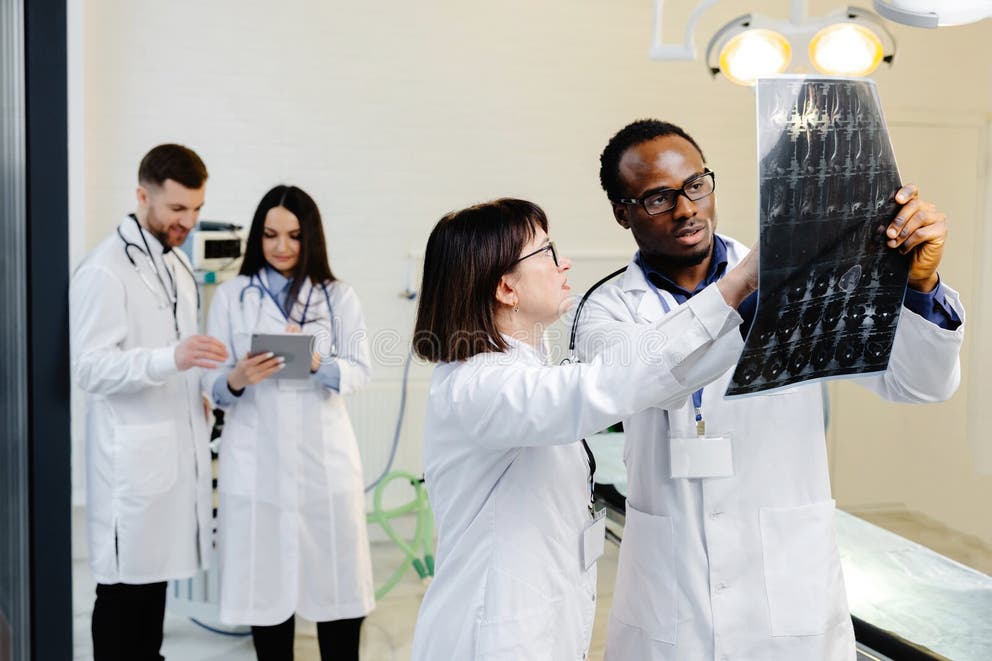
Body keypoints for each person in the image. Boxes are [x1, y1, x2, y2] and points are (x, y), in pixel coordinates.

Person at [574, 119, 965, 661]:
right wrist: (757, 282)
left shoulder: (805, 282)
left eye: (695, 185)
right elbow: (652, 380)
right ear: (623, 212)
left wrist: (920, 288)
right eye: (658, 198)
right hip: (671, 604)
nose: (686, 209)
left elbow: (918, 384)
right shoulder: (605, 309)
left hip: (790, 593)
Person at [409, 198, 759, 660]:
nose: (564, 263)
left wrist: (748, 314)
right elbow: (602, 386)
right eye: (548, 252)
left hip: (536, 626)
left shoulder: (515, 372)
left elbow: (653, 383)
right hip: (493, 636)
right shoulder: (478, 384)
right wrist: (735, 287)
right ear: (506, 289)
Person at [202, 185, 374, 661]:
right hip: (258, 464)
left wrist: (318, 364)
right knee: (266, 595)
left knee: (337, 593)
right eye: (271, 235)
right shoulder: (233, 296)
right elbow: (210, 381)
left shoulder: (337, 296)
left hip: (323, 464)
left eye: (294, 236)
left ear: (311, 237)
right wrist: (236, 379)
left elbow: (360, 369)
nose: (281, 247)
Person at [70, 144, 228, 660]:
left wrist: (197, 394)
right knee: (122, 594)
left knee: (152, 591)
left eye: (197, 209)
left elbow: (179, 356)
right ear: (143, 196)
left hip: (170, 462)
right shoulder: (105, 269)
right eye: (177, 209)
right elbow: (89, 368)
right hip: (130, 468)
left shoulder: (177, 266)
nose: (189, 221)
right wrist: (171, 361)